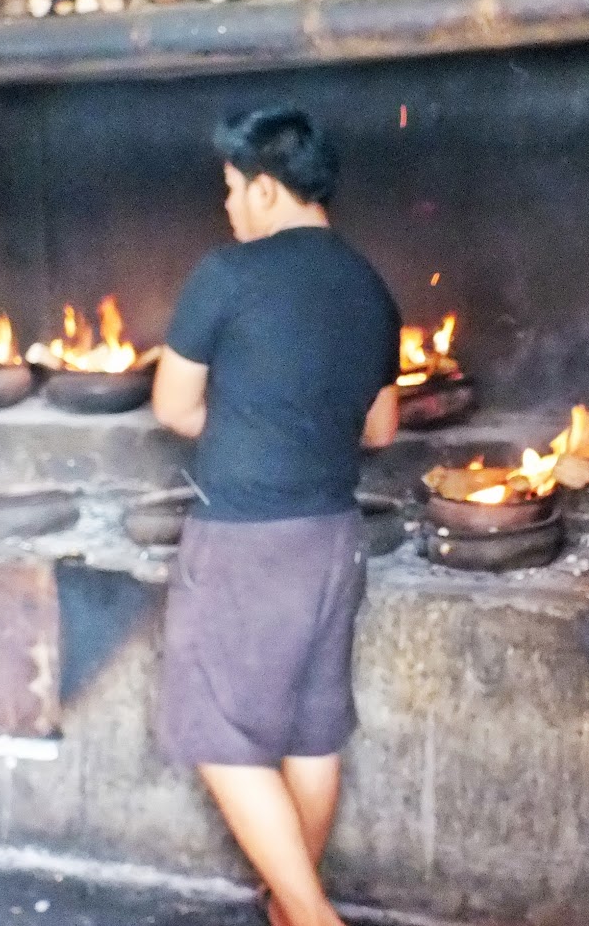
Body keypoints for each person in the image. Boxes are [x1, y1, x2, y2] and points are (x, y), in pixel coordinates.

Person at [151, 106, 401, 926]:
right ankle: (290, 910)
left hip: (245, 540)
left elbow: (174, 407)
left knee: (219, 735)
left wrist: (246, 418)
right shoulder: (372, 288)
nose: (227, 207)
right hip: (333, 536)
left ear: (264, 188)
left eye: (231, 189)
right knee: (311, 733)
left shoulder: (227, 274)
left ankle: (315, 917)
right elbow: (381, 429)